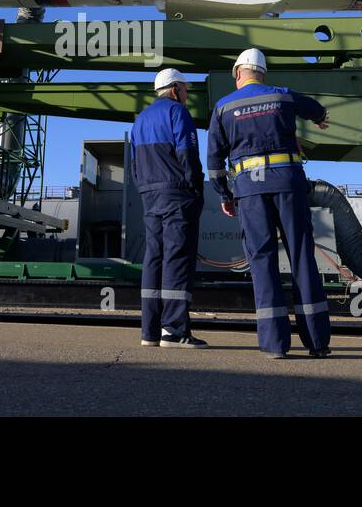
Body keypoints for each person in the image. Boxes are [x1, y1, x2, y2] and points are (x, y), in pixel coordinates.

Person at [207, 49, 331, 359]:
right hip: (288, 185)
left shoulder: (223, 108)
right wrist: (318, 119)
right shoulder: (283, 97)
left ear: (238, 73)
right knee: (301, 256)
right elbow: (316, 109)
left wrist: (225, 194)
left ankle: (275, 344)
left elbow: (213, 161)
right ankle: (316, 342)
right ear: (263, 73)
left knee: (262, 261)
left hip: (249, 192)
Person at [129, 68, 208, 349]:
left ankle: (149, 331)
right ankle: (174, 331)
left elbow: (135, 167)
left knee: (155, 259)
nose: (187, 95)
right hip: (177, 194)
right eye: (185, 90)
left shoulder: (139, 121)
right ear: (175, 90)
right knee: (177, 258)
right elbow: (188, 154)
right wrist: (196, 190)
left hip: (150, 196)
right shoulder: (177, 112)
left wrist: (146, 190)